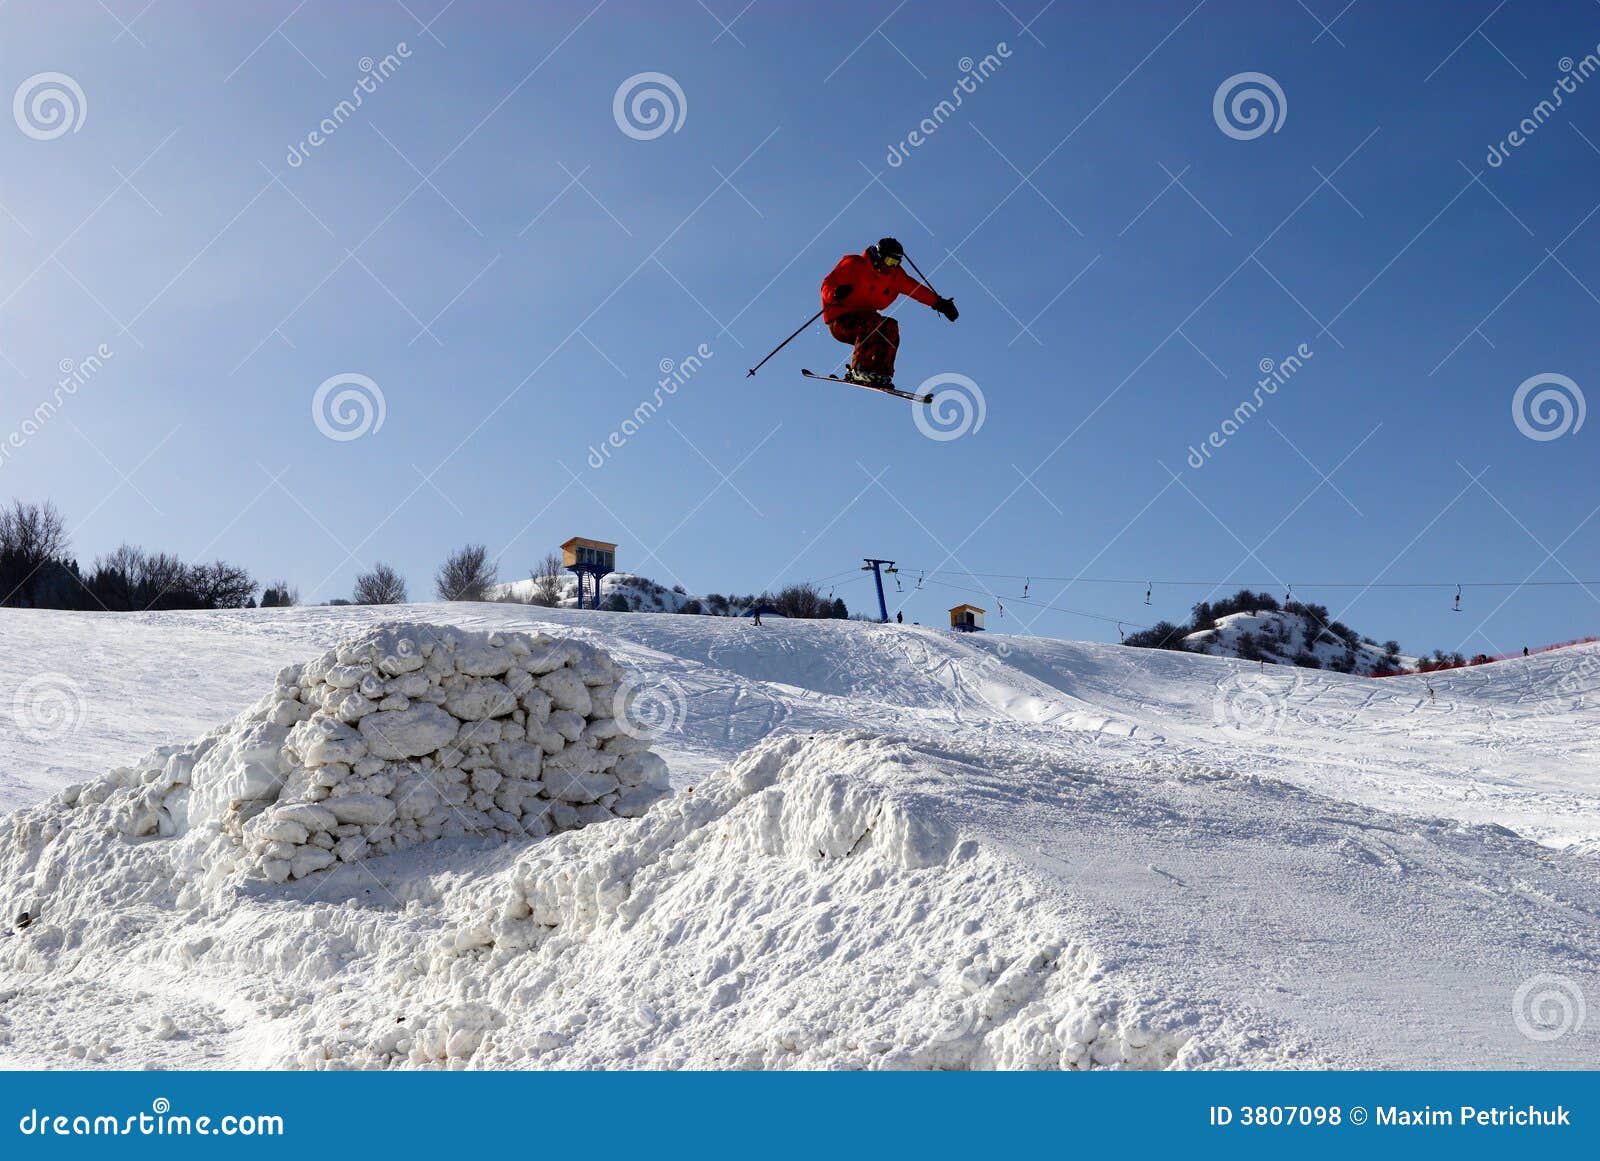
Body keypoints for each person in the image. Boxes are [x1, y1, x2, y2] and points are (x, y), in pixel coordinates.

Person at [820, 237, 957, 388]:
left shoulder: (895, 276)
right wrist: (834, 293)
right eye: (888, 261)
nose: (890, 267)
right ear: (877, 256)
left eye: (895, 263)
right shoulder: (855, 264)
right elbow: (827, 284)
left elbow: (915, 289)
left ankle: (880, 373)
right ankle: (859, 369)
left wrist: (940, 303)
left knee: (890, 326)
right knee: (872, 324)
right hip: (841, 321)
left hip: (867, 320)